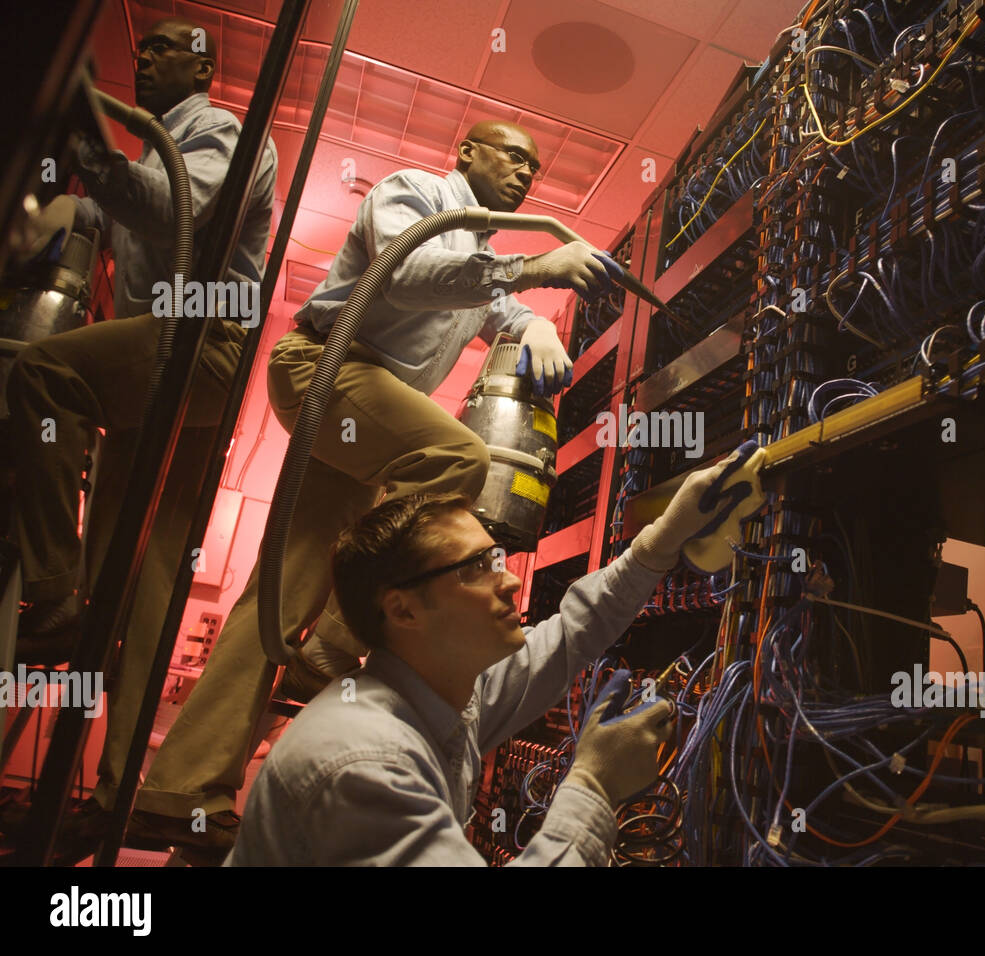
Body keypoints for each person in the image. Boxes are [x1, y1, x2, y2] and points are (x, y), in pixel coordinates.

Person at [115, 120, 626, 857]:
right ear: (466, 153)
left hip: (354, 422)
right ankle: (329, 654)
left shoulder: (474, 253)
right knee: (458, 459)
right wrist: (535, 267)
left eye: (535, 167)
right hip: (323, 367)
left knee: (279, 598)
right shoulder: (413, 192)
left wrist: (531, 323)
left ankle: (179, 789)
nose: (526, 173)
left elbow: (478, 292)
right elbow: (406, 272)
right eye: (512, 155)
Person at [2, 17, 277, 855]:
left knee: (41, 375)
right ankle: (110, 795)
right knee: (141, 586)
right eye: (144, 46)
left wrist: (88, 146)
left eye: (165, 48)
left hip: (199, 341)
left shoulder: (213, 131)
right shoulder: (149, 149)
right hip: (157, 361)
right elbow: (81, 211)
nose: (148, 58)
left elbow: (173, 209)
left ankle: (48, 593)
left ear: (203, 65)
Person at [228, 453, 738, 865]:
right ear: (403, 609)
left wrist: (661, 539)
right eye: (477, 567)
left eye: (500, 559)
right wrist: (593, 786)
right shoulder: (366, 764)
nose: (511, 579)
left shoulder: (444, 694)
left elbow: (571, 634)